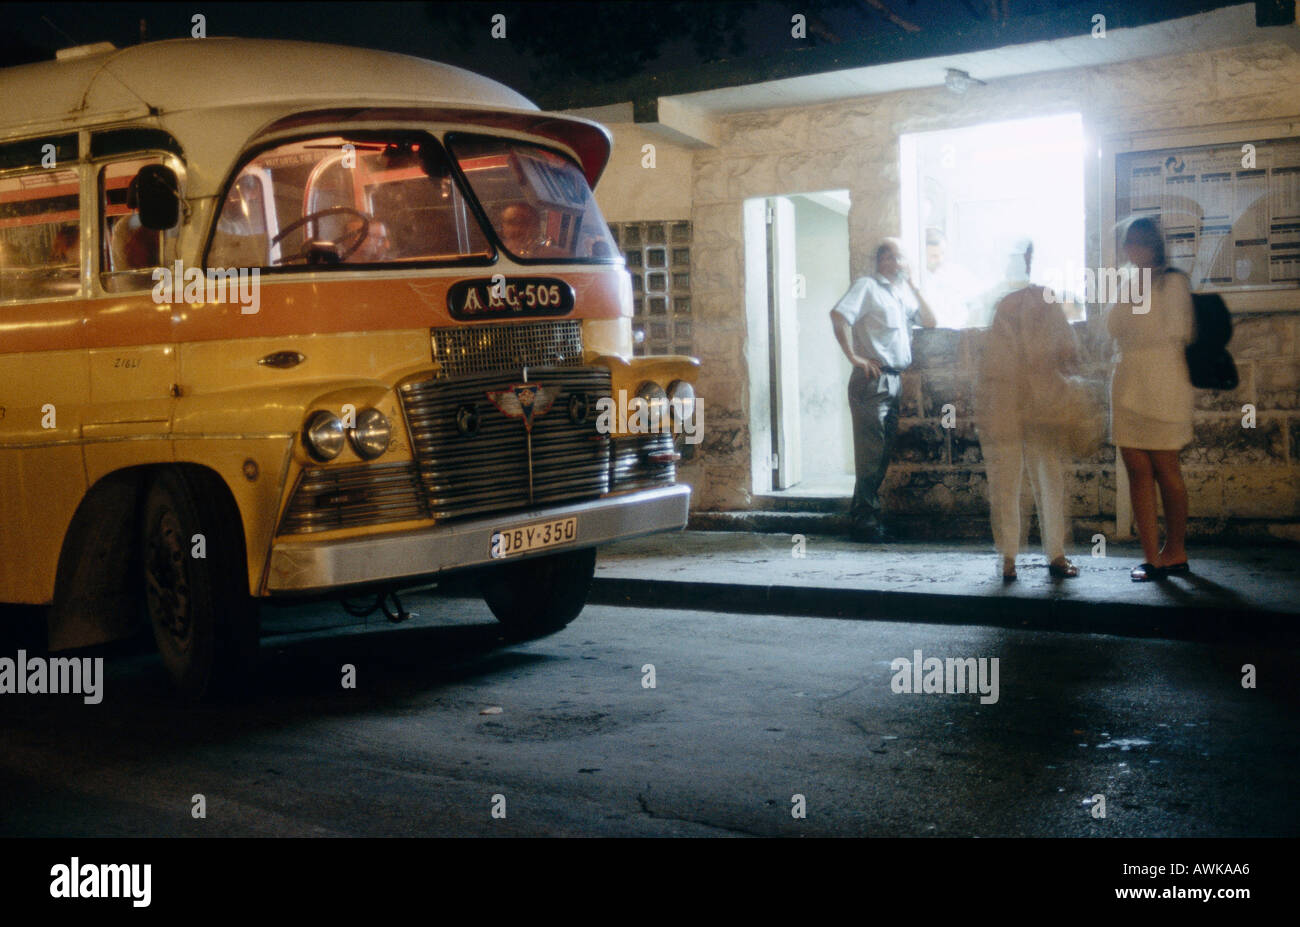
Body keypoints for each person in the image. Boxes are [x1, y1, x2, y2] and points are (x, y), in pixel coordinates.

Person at [977, 238, 1081, 582]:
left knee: (1018, 481)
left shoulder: (1008, 304)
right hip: (1033, 400)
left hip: (1019, 402)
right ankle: (1043, 555)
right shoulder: (1029, 301)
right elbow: (1067, 350)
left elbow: (993, 361)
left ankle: (1015, 558)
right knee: (1040, 479)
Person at [830, 238, 937, 542]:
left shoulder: (900, 294)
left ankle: (863, 517)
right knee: (870, 454)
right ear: (881, 261)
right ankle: (864, 522)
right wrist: (854, 357)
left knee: (881, 453)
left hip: (894, 380)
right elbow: (838, 316)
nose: (897, 263)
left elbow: (930, 320)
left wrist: (914, 285)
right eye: (891, 258)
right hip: (871, 381)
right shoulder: (867, 286)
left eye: (902, 259)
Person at [1107, 216, 1195, 582]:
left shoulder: (1172, 281)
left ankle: (1175, 550)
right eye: (1129, 243)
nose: (1131, 250)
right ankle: (1150, 556)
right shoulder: (1129, 282)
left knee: (1166, 469)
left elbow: (1177, 331)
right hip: (1129, 383)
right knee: (1137, 471)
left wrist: (1134, 317)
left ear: (1152, 245)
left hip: (1163, 384)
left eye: (1137, 243)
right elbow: (1113, 326)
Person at [921, 227, 979, 328]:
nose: (940, 260)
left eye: (942, 253)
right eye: (933, 256)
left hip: (960, 335)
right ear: (922, 254)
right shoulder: (916, 279)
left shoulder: (959, 273)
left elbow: (976, 304)